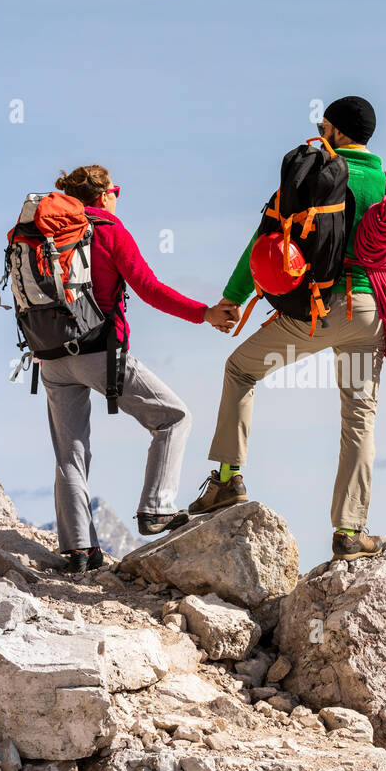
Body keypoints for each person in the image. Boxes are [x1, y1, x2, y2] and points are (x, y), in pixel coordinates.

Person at [189, 97, 386, 561]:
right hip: (369, 315)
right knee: (359, 419)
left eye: (323, 125)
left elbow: (266, 242)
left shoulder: (310, 175)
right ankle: (350, 531)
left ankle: (226, 481)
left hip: (314, 312)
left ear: (336, 131)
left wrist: (231, 300)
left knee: (241, 370)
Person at [44, 164, 238, 574]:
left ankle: (80, 551)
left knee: (70, 456)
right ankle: (157, 509)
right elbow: (148, 288)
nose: (118, 195)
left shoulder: (49, 236)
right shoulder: (109, 230)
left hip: (51, 357)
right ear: (103, 196)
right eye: (115, 190)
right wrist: (204, 314)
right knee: (174, 417)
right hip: (100, 352)